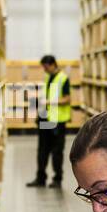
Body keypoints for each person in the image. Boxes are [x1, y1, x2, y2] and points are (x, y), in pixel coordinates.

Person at [28, 54, 72, 188]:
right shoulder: (48, 77)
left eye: (46, 66)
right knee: (42, 149)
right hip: (45, 118)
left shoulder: (63, 78)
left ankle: (57, 179)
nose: (44, 69)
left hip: (57, 122)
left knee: (57, 151)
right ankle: (40, 178)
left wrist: (50, 102)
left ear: (53, 64)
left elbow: (67, 99)